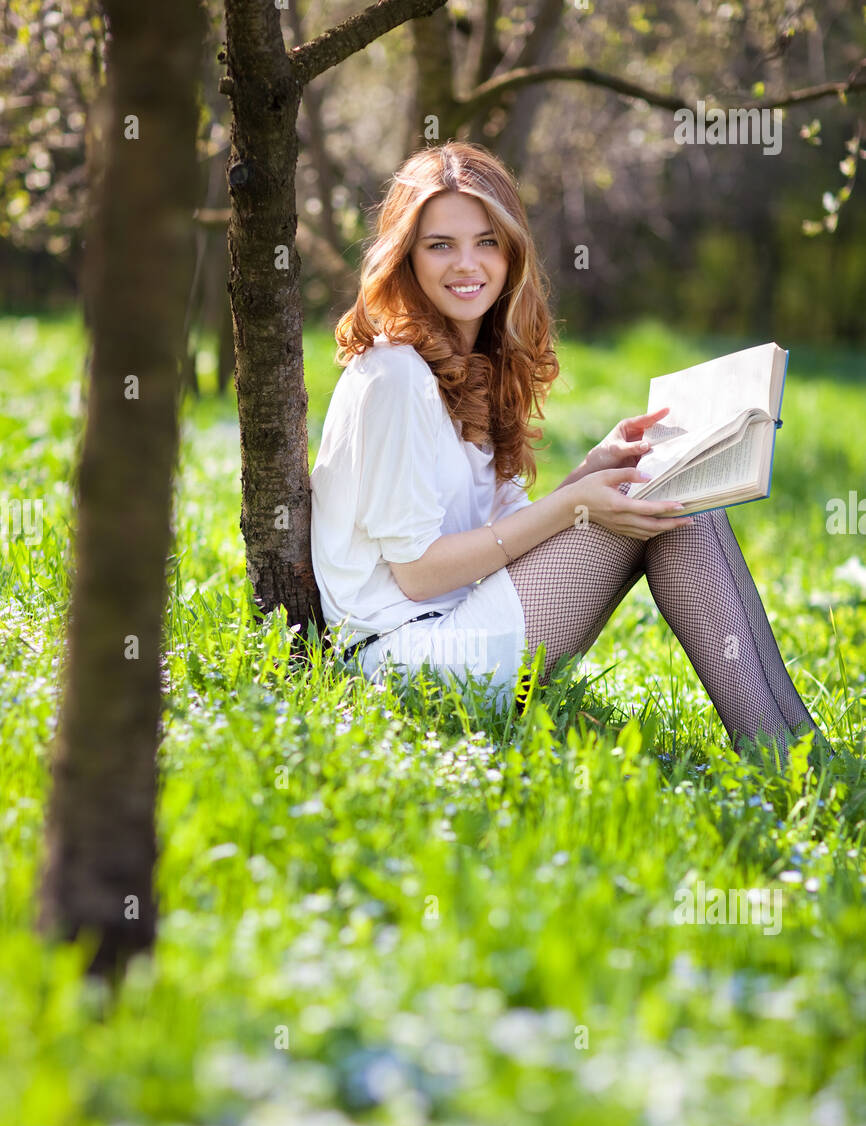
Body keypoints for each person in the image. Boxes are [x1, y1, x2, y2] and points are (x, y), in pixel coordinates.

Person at [310, 139, 830, 760]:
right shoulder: (395, 377)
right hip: (409, 660)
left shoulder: (468, 364)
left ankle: (791, 745)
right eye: (439, 245)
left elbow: (495, 533)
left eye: (485, 241)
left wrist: (586, 476)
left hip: (460, 619)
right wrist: (574, 507)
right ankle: (784, 753)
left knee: (676, 499)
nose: (465, 264)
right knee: (666, 504)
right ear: (407, 257)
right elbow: (419, 576)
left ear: (511, 252)